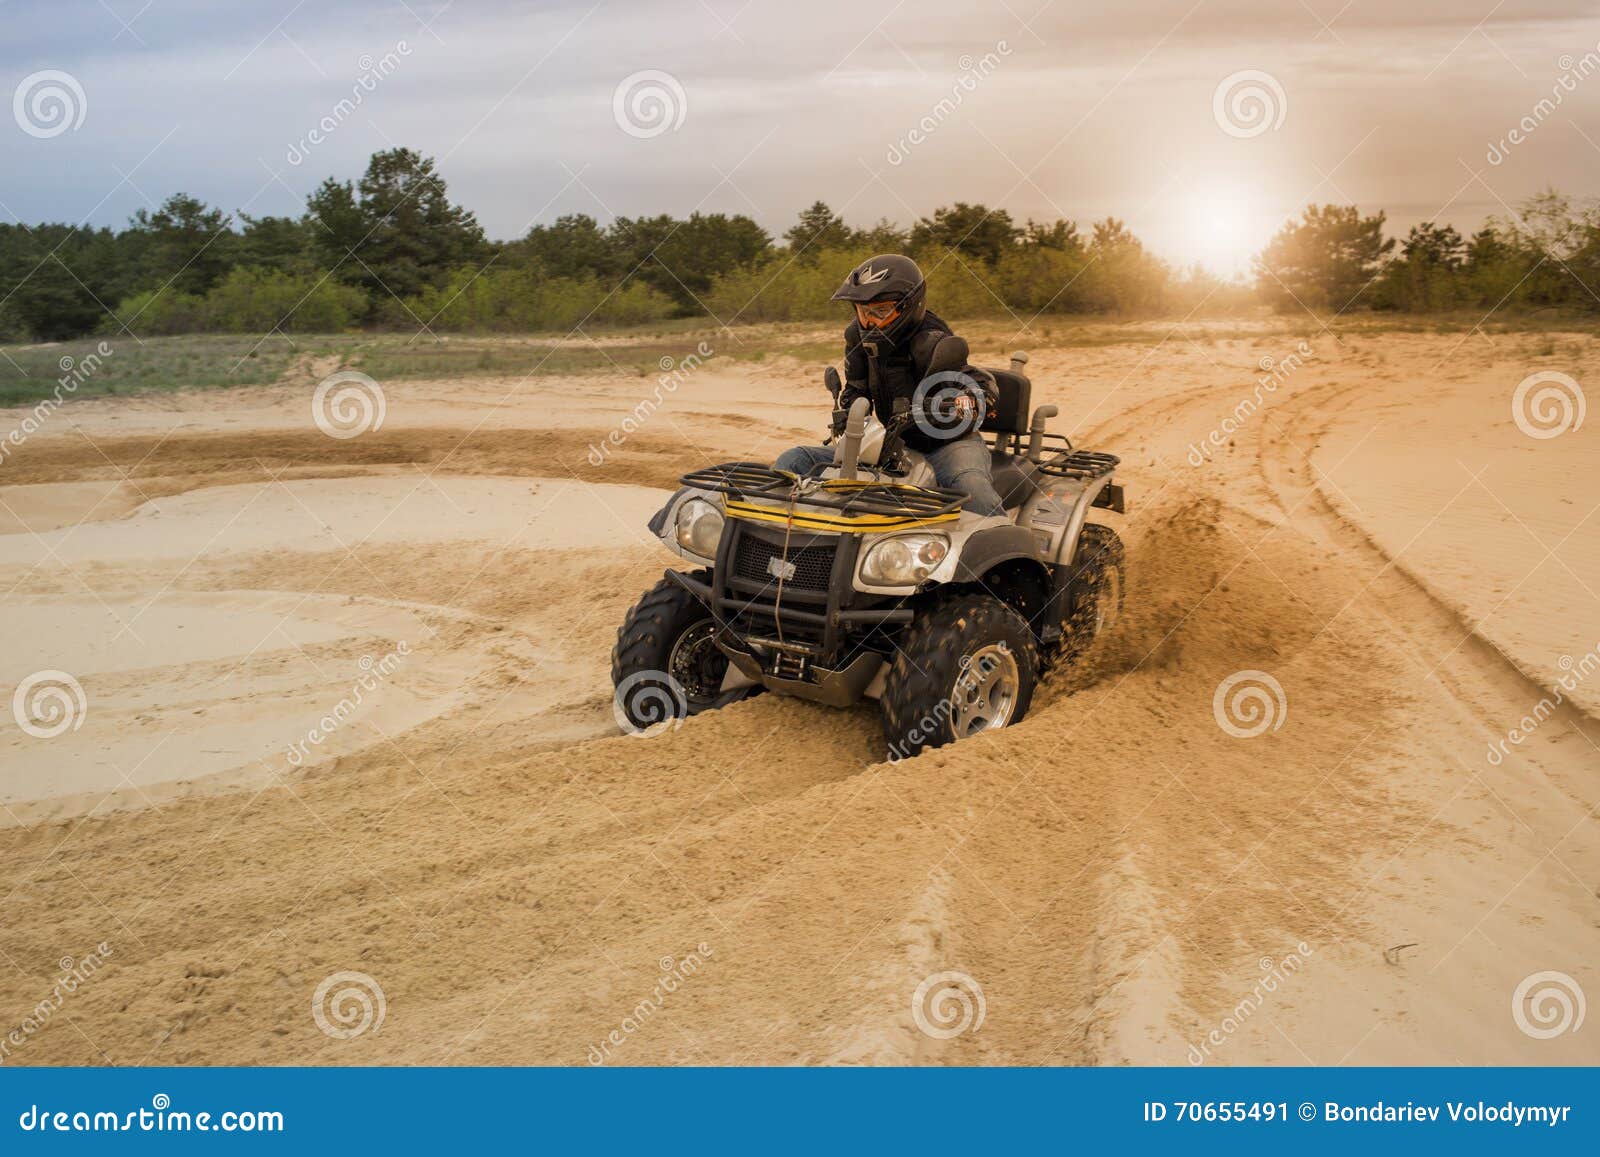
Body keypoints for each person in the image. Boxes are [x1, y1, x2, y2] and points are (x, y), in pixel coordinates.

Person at [774, 254, 1005, 516]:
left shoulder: (932, 341)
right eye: (863, 312)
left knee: (971, 487)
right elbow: (856, 389)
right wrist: (848, 411)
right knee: (795, 460)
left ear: (909, 306)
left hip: (946, 445)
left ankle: (1007, 548)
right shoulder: (859, 340)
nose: (869, 321)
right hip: (889, 444)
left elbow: (981, 382)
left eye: (880, 311)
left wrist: (966, 402)